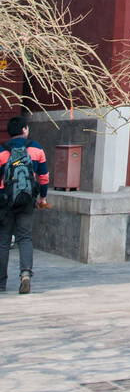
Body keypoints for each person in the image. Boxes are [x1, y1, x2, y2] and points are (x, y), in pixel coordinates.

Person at [0, 116, 49, 294]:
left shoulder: (2, 151)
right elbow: (43, 177)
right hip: (27, 200)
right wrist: (42, 198)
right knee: (25, 238)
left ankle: (1, 283)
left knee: (3, 240)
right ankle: (26, 275)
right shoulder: (36, 149)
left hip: (5, 201)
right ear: (24, 130)